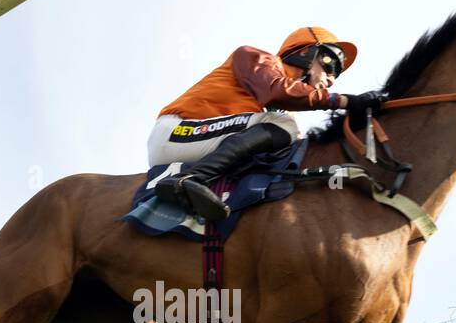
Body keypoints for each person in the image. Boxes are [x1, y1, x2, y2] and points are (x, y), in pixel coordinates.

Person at [148, 27, 386, 221]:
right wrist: (344, 101)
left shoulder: (279, 114)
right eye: (331, 65)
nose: (332, 79)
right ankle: (190, 180)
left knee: (289, 144)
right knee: (284, 127)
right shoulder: (254, 57)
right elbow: (277, 91)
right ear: (307, 52)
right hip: (177, 131)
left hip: (203, 142)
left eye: (337, 74)